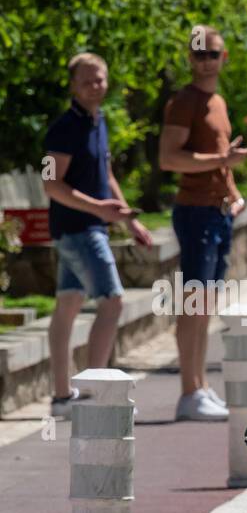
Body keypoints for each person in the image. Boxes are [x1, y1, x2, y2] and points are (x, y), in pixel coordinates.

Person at [42, 52, 152, 418]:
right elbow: (51, 185)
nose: (95, 86)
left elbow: (106, 175)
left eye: (100, 79)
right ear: (73, 85)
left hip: (89, 226)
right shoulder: (62, 129)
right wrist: (100, 211)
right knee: (112, 301)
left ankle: (62, 398)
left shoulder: (98, 120)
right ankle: (96, 395)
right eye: (87, 81)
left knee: (68, 304)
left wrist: (127, 220)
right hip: (77, 230)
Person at [159, 24, 247, 421]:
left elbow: (220, 156)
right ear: (189, 58)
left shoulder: (217, 100)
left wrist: (233, 192)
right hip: (195, 212)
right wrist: (221, 163)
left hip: (217, 212)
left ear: (224, 57)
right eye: (199, 53)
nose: (206, 60)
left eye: (212, 53)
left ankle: (200, 385)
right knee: (192, 304)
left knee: (206, 304)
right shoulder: (186, 100)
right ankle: (187, 392)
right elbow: (169, 158)